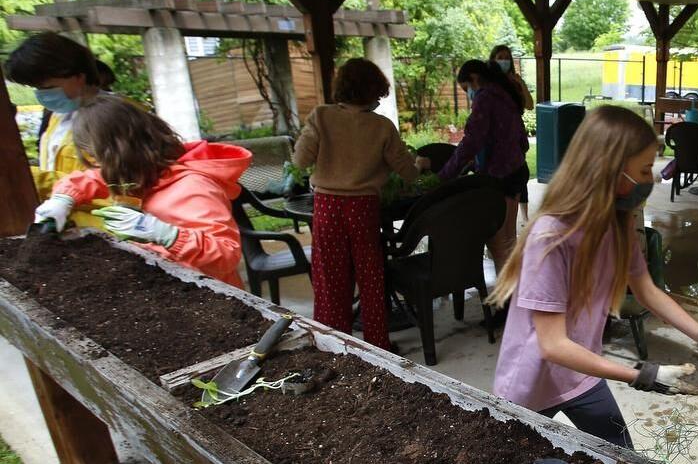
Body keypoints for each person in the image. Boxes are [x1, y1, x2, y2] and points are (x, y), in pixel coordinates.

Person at [488, 106, 698, 447]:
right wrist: (641, 374)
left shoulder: (619, 223)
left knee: (624, 459)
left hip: (581, 372)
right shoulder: (551, 237)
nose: (653, 179)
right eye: (645, 170)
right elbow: (552, 345)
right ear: (610, 171)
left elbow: (646, 290)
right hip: (530, 384)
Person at [31, 96, 250, 287]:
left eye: (98, 158)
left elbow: (226, 255)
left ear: (119, 152)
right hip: (167, 282)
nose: (98, 166)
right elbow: (91, 178)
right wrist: (62, 199)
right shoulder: (142, 172)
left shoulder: (192, 187)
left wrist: (167, 235)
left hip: (209, 292)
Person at [293, 58, 425, 352]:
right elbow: (408, 172)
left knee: (330, 280)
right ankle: (377, 345)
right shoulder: (382, 126)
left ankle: (333, 344)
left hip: (327, 207)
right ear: (374, 90)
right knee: (371, 277)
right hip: (363, 208)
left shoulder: (321, 117)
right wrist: (420, 165)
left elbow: (300, 160)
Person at [440, 59, 530, 280]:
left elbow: (471, 141)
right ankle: (515, 293)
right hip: (516, 171)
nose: (469, 94)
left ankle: (506, 297)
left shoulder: (485, 98)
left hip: (499, 178)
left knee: (498, 244)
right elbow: (518, 139)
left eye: (466, 89)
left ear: (473, 78)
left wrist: (445, 174)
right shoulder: (504, 93)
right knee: (508, 240)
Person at [7, 33, 109, 226]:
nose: (42, 94)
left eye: (49, 87)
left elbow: (117, 186)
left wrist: (35, 179)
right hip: (70, 225)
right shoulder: (59, 114)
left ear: (79, 76)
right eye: (36, 88)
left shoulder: (114, 118)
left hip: (103, 230)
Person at [488, 45, 536, 221]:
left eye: (506, 57)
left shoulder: (515, 82)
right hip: (497, 138)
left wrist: (520, 83)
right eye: (500, 57)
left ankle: (523, 217)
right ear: (493, 60)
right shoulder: (489, 84)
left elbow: (529, 105)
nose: (504, 61)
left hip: (516, 136)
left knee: (519, 174)